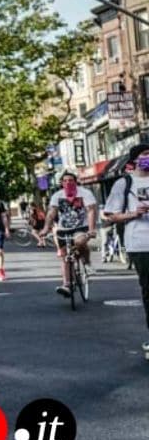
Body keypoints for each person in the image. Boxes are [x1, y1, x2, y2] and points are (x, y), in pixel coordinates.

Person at [101, 143, 149, 360]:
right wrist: (133, 213)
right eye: (145, 155)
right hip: (140, 243)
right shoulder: (125, 183)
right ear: (135, 160)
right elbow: (110, 215)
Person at [42, 172, 98, 298]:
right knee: (65, 256)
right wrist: (46, 228)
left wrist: (92, 229)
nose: (68, 183)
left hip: (81, 227)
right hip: (64, 229)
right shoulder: (57, 195)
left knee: (79, 242)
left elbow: (91, 211)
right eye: (65, 180)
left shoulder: (85, 193)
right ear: (61, 183)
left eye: (71, 180)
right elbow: (51, 213)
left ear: (75, 181)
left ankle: (87, 262)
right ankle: (67, 285)